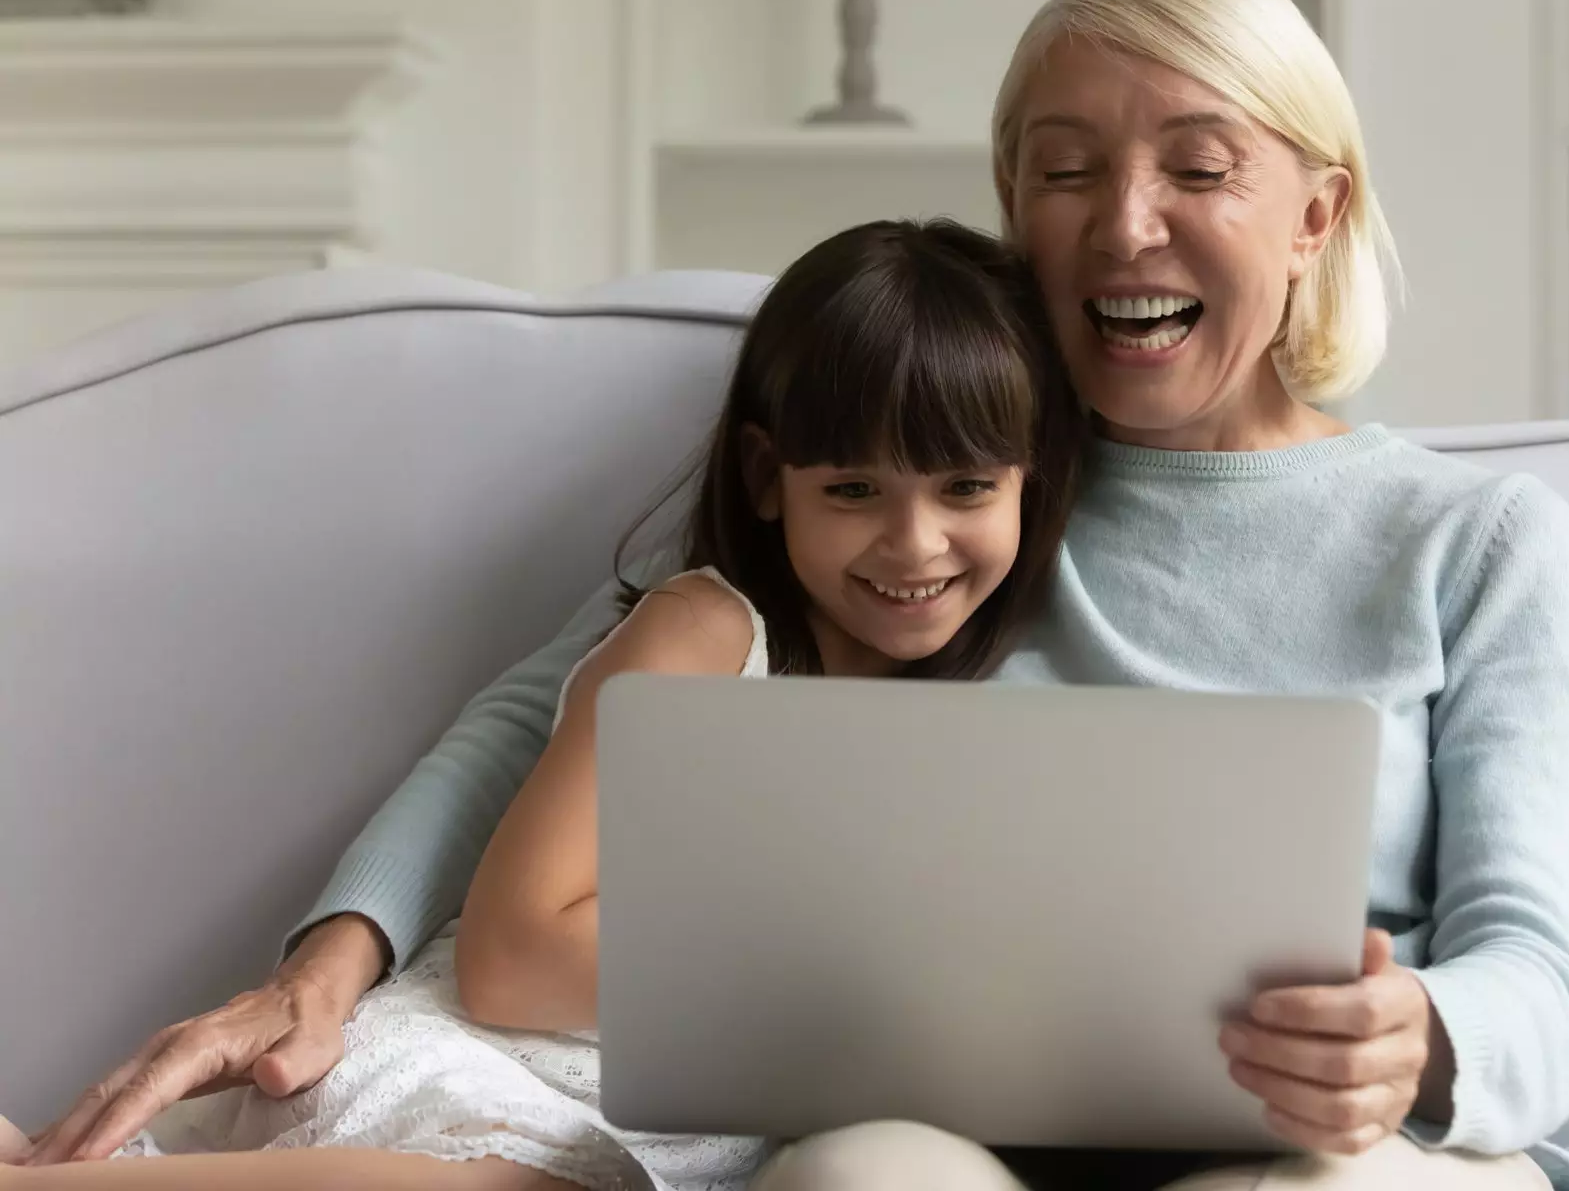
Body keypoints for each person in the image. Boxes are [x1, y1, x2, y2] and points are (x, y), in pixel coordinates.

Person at [13, 0, 1569, 1191]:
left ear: (1317, 211)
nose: (1127, 225)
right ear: (1014, 208)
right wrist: (328, 964)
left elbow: (1546, 972)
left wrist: (1426, 1043)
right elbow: (548, 715)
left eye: (1200, 169)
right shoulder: (931, 465)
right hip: (938, 1128)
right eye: (1067, 172)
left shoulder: (1476, 543)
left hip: (1322, 1137)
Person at [0, 218, 1084, 1191]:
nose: (914, 542)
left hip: (660, 1146)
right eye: (853, 489)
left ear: (1029, 481)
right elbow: (510, 955)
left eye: (966, 487)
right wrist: (838, 974)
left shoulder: (958, 722)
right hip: (492, 1075)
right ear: (767, 479)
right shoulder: (708, 634)